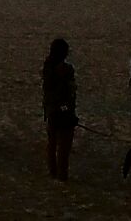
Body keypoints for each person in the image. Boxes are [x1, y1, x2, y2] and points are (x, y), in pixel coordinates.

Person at [41, 38, 77, 180]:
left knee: (52, 142)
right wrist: (67, 108)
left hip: (51, 109)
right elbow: (68, 92)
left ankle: (53, 171)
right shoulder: (66, 70)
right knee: (64, 144)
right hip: (63, 110)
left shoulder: (47, 67)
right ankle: (62, 173)